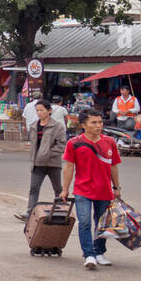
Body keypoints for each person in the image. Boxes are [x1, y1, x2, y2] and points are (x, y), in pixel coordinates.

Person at [58, 108, 122, 270]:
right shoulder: (74, 143)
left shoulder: (110, 142)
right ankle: (89, 255)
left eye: (100, 122)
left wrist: (117, 187)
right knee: (84, 222)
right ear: (83, 125)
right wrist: (65, 190)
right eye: (93, 122)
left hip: (104, 191)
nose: (98, 125)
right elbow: (69, 167)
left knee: (101, 224)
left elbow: (114, 166)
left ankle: (99, 252)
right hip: (82, 190)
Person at [14, 99, 67, 222]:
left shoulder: (57, 126)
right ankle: (29, 212)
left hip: (53, 163)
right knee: (34, 189)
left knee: (58, 189)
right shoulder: (33, 126)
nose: (39, 113)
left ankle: (63, 211)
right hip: (37, 164)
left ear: (49, 111)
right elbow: (34, 144)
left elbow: (61, 145)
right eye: (37, 110)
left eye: (42, 110)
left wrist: (48, 154)